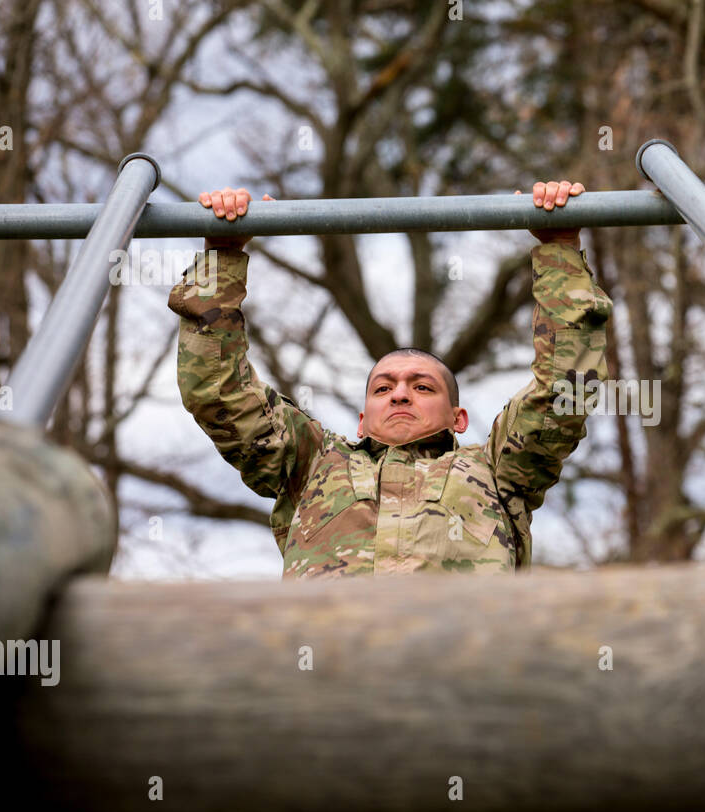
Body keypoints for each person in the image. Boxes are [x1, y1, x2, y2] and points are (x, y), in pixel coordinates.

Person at [167, 180, 611, 578]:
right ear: (361, 421)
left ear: (458, 418)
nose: (399, 394)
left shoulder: (498, 470)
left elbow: (566, 389)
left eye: (422, 387)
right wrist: (221, 256)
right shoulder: (313, 463)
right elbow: (219, 391)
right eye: (383, 388)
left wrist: (559, 249)